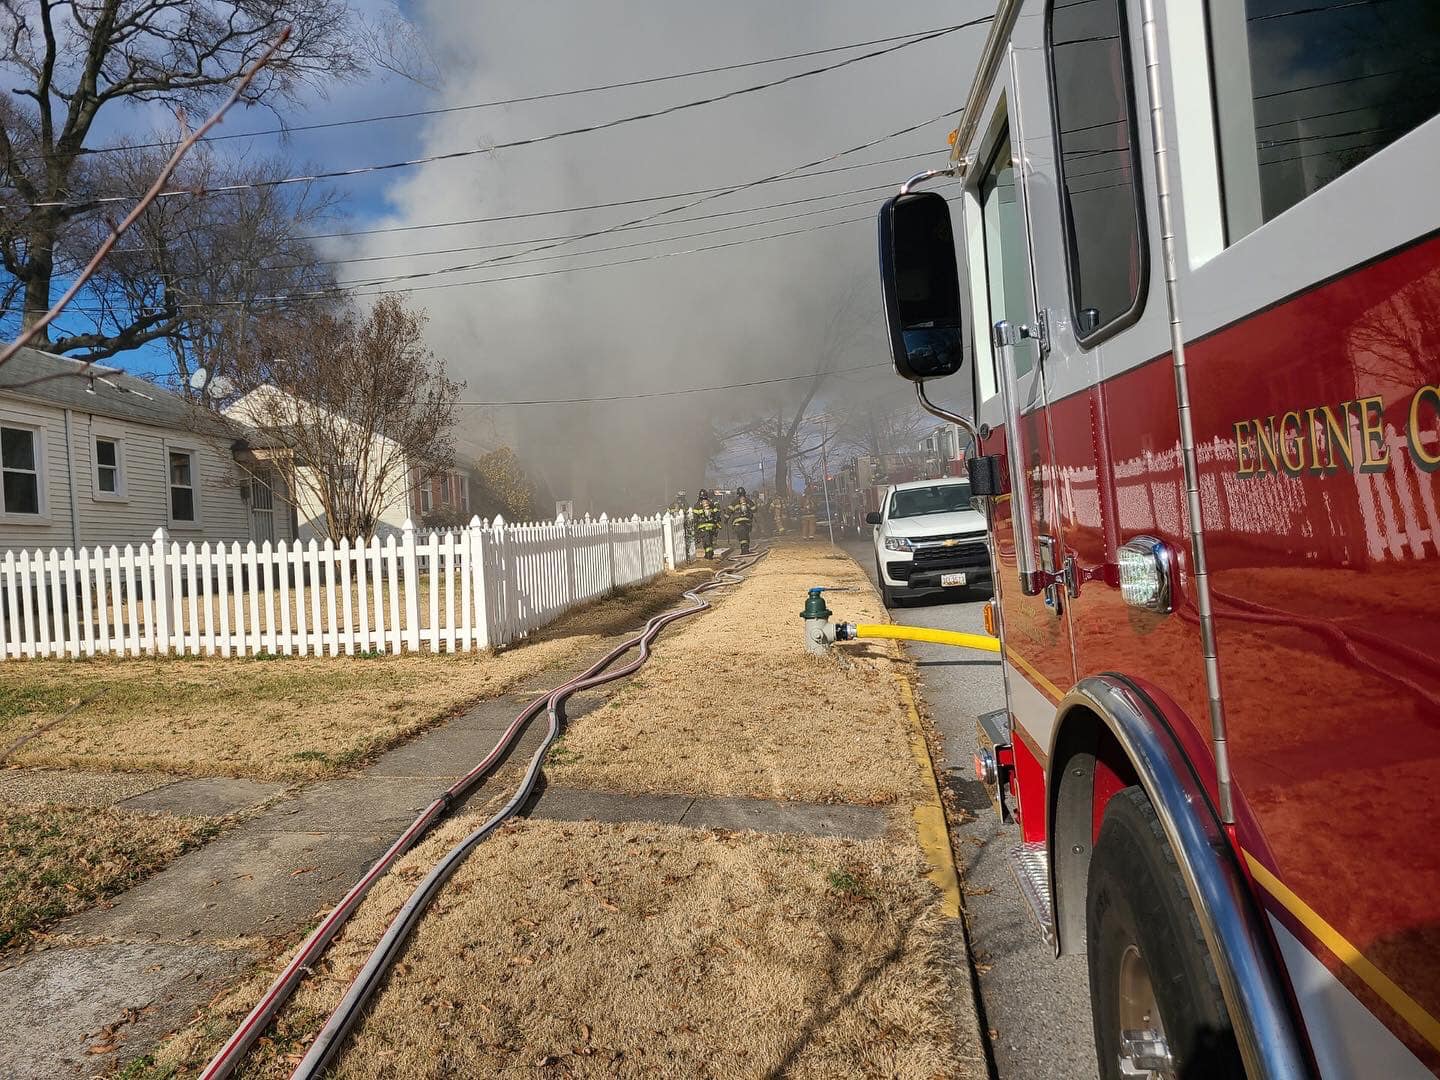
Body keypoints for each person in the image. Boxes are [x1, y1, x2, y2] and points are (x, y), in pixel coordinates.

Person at [692, 489, 721, 559]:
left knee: (706, 542)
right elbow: (717, 513)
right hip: (711, 525)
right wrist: (716, 521)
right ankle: (709, 554)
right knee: (710, 540)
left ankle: (708, 555)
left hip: (702, 526)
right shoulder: (711, 503)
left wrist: (695, 526)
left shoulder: (696, 505)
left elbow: (695, 518)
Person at [728, 486, 756, 555]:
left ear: (737, 494)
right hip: (747, 522)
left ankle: (744, 550)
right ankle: (745, 550)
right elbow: (754, 509)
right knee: (746, 536)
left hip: (737, 523)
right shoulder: (748, 500)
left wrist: (726, 519)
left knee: (742, 537)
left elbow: (728, 512)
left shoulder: (734, 502)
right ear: (744, 493)